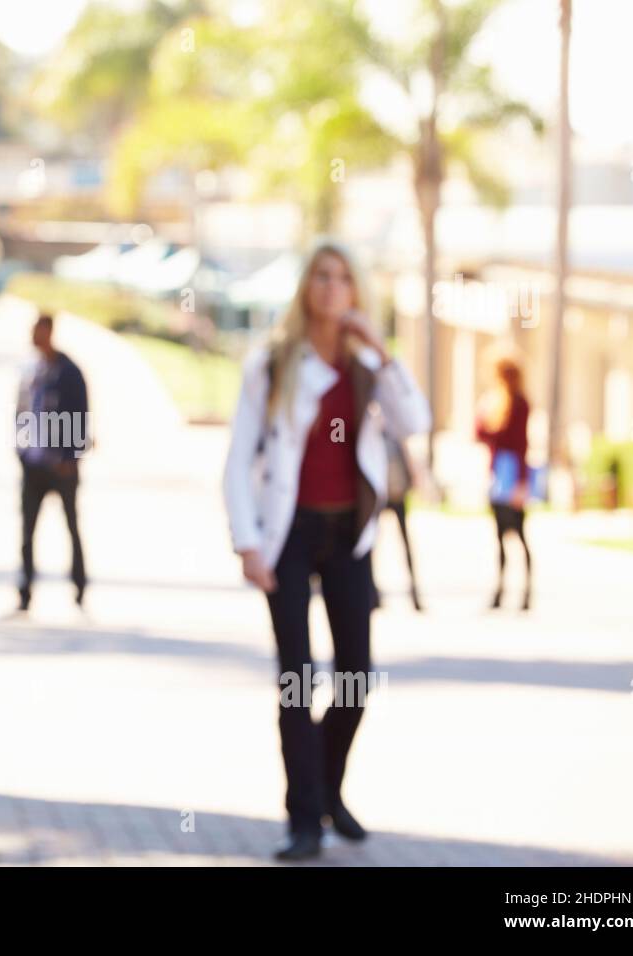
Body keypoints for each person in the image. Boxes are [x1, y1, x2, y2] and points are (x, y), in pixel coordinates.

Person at [222, 239, 431, 861]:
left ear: (357, 292)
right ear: (306, 287)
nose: (331, 288)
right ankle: (304, 819)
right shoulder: (274, 362)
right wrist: (247, 542)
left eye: (343, 278)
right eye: (321, 276)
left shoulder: (369, 367)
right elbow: (239, 459)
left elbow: (415, 422)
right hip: (289, 534)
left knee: (357, 678)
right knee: (296, 678)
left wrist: (383, 350)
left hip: (350, 535)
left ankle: (327, 791)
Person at [16, 313, 90, 611]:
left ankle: (80, 585)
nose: (34, 335)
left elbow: (81, 412)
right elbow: (21, 411)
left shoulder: (68, 371)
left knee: (71, 526)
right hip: (33, 464)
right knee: (27, 531)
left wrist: (70, 456)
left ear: (49, 331)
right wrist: (20, 452)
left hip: (61, 467)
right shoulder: (31, 369)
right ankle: (25, 589)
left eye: (39, 330)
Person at [475, 347, 532, 611]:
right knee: (499, 536)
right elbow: (482, 434)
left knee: (519, 536)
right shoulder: (494, 403)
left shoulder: (520, 404)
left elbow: (522, 445)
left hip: (512, 473)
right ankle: (500, 590)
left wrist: (522, 483)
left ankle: (526, 591)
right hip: (498, 472)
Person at [375, 428, 423, 612]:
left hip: (397, 495)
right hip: (381, 496)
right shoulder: (374, 435)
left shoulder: (396, 434)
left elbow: (407, 459)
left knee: (405, 544)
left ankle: (414, 593)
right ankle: (373, 594)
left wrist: (412, 482)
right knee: (373, 546)